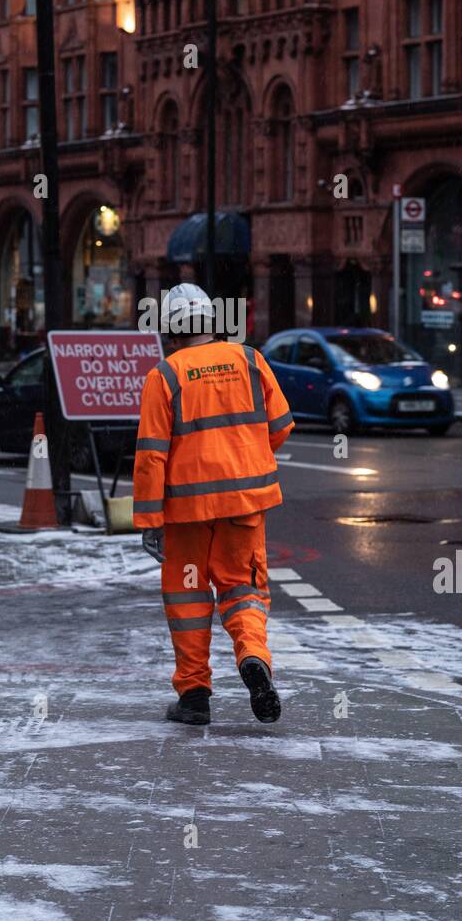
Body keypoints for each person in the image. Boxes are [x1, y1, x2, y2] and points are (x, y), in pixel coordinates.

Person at [133, 283, 294, 727]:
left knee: (187, 597)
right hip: (244, 504)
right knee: (243, 589)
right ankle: (253, 657)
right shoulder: (250, 360)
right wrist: (244, 456)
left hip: (185, 514)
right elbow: (281, 426)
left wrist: (150, 520)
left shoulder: (164, 376)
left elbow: (150, 454)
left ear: (170, 330)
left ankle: (195, 696)